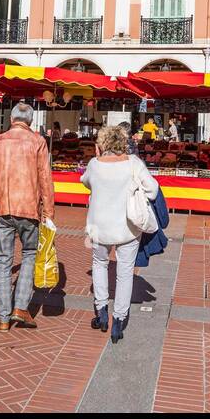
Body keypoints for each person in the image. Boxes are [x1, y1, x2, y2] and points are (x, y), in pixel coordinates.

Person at [0, 103, 55, 333]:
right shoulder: (37, 142)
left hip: (1, 207)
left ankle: (3, 317)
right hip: (29, 208)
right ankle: (20, 306)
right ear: (29, 121)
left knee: (3, 261)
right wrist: (49, 212)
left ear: (11, 119)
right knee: (29, 254)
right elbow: (45, 179)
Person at [80, 124, 160, 343]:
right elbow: (153, 189)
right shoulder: (133, 164)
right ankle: (119, 320)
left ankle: (102, 311)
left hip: (98, 227)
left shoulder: (94, 165)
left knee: (99, 264)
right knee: (125, 272)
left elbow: (85, 181)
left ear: (102, 144)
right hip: (128, 227)